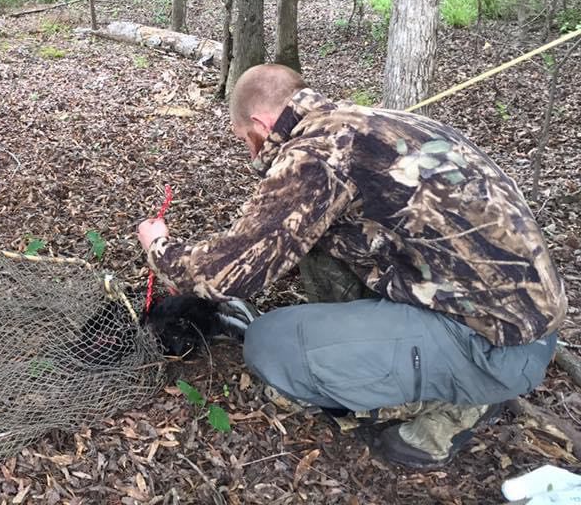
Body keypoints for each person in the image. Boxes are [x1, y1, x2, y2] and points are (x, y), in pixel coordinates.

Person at [137, 64, 566, 469]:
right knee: (320, 249)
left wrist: (159, 248)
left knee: (270, 344)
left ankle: (455, 405)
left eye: (245, 138)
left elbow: (229, 275)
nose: (249, 151)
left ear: (262, 125)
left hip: (494, 345)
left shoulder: (317, 154)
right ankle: (420, 365)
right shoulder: (367, 122)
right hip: (520, 320)